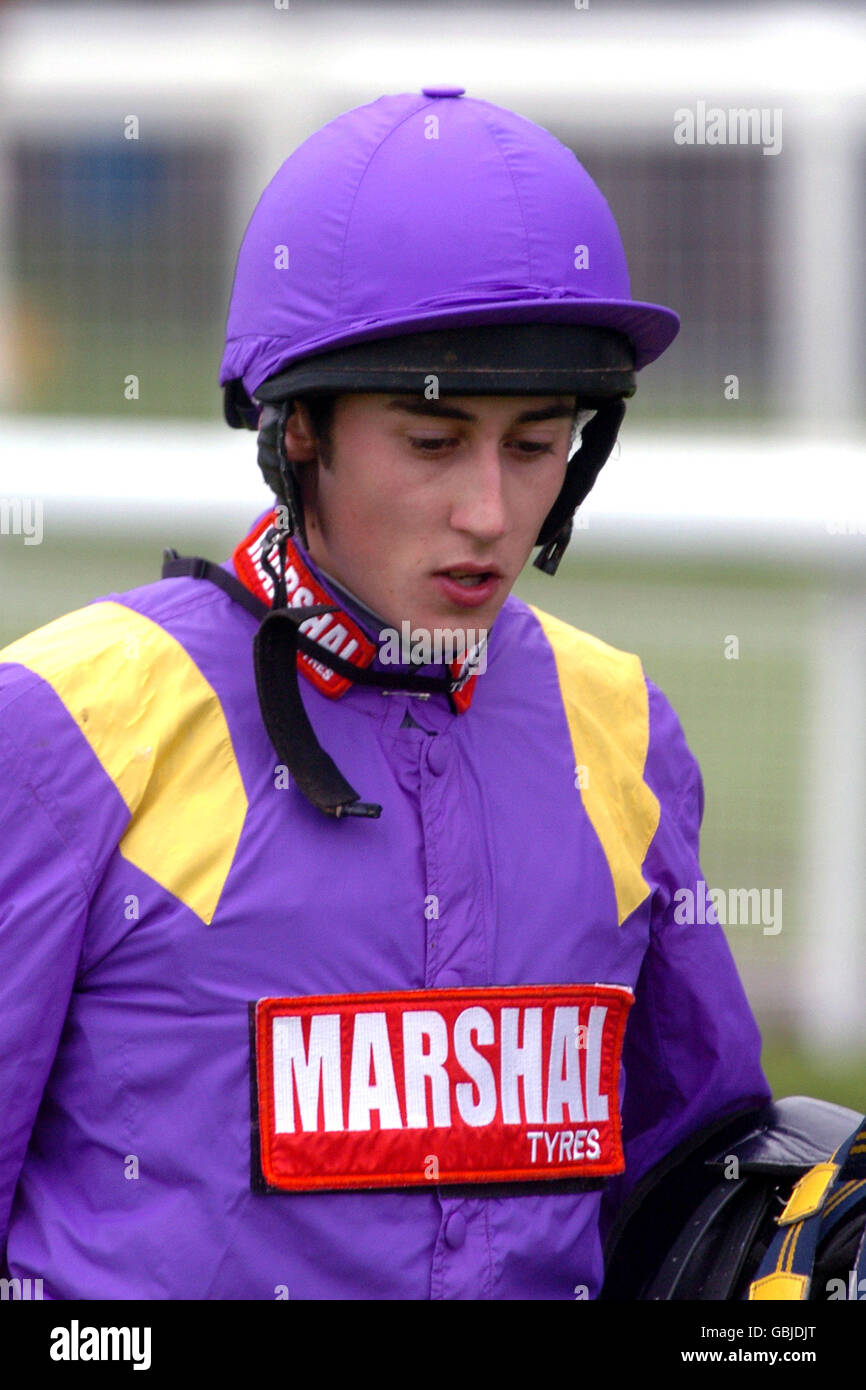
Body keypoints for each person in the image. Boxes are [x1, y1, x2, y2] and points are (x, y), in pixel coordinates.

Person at [0, 87, 772, 1301]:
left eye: (534, 444)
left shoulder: (618, 723)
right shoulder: (66, 723)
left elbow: (689, 1175)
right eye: (431, 441)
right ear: (297, 429)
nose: (488, 511)